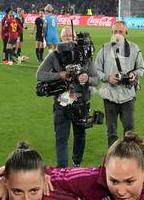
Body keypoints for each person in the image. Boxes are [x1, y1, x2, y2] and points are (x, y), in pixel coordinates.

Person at [35, 23, 99, 168]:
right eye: (65, 37)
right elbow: (39, 75)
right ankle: (62, 170)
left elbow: (96, 79)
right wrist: (60, 75)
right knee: (61, 138)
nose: (68, 40)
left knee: (80, 136)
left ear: (76, 38)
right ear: (60, 39)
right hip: (62, 103)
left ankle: (76, 164)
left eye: (71, 37)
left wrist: (87, 79)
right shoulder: (54, 56)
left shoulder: (86, 56)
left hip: (82, 102)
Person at [95, 19, 144, 148]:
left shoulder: (134, 48)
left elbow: (142, 69)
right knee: (111, 131)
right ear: (112, 32)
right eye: (115, 31)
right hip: (109, 96)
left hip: (128, 95)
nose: (118, 34)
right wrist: (107, 78)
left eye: (121, 31)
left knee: (129, 129)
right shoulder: (104, 49)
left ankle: (129, 156)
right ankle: (112, 158)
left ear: (126, 32)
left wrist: (134, 75)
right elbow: (96, 70)